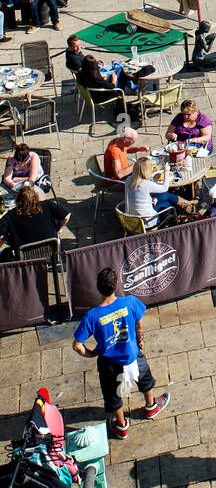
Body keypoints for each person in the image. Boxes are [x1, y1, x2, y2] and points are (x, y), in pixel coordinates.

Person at [72, 266, 170, 438]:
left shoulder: (92, 316)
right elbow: (139, 324)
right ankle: (151, 407)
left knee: (113, 395)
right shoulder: (130, 302)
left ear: (98, 288)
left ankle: (121, 426)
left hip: (109, 364)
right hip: (132, 354)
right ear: (116, 284)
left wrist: (92, 353)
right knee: (145, 379)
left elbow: (77, 345)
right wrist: (140, 340)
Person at [0, 185, 69, 261]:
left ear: (18, 200)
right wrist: (58, 228)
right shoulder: (47, 205)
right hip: (52, 255)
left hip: (26, 261)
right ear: (36, 197)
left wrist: (7, 237)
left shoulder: (11, 215)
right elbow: (66, 216)